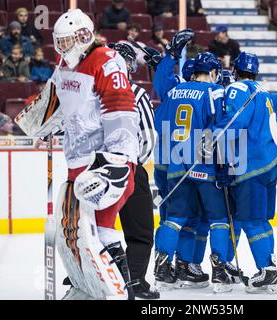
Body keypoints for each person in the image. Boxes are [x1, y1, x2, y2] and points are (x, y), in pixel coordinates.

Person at [19, 9, 140, 300]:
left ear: (83, 35)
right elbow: (54, 106)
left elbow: (121, 112)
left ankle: (123, 290)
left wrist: (118, 160)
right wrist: (42, 126)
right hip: (77, 163)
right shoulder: (65, 66)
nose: (61, 48)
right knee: (74, 232)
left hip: (105, 162)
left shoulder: (107, 61)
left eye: (65, 41)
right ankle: (87, 285)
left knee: (99, 229)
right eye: (57, 42)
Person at [212, 52, 277, 293]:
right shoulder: (262, 91)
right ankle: (268, 267)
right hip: (271, 163)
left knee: (249, 220)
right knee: (260, 220)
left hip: (251, 165)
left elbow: (234, 124)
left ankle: (266, 271)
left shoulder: (236, 88)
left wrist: (213, 141)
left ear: (235, 70)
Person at [154, 52, 233, 293]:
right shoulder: (214, 91)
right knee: (218, 219)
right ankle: (220, 271)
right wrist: (226, 164)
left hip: (176, 163)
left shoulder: (175, 91)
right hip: (204, 165)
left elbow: (160, 123)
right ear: (212, 72)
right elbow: (222, 127)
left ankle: (162, 267)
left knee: (175, 218)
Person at [107, 42, 160, 299]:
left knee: (98, 230)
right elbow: (149, 136)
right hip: (128, 168)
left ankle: (94, 278)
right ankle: (134, 281)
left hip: (94, 169)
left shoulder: (94, 92)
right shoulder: (136, 93)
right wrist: (135, 161)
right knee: (140, 232)